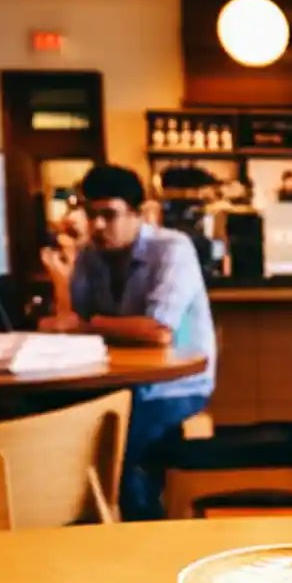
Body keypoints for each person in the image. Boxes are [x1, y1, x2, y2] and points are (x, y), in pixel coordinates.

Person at [39, 165, 216, 521]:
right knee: (52, 424)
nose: (99, 225)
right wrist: (60, 278)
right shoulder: (90, 255)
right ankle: (84, 529)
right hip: (119, 382)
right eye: (92, 215)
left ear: (139, 213)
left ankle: (148, 538)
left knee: (111, 448)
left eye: (109, 215)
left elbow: (157, 330)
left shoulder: (172, 249)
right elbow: (70, 322)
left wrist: (89, 325)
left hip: (176, 386)